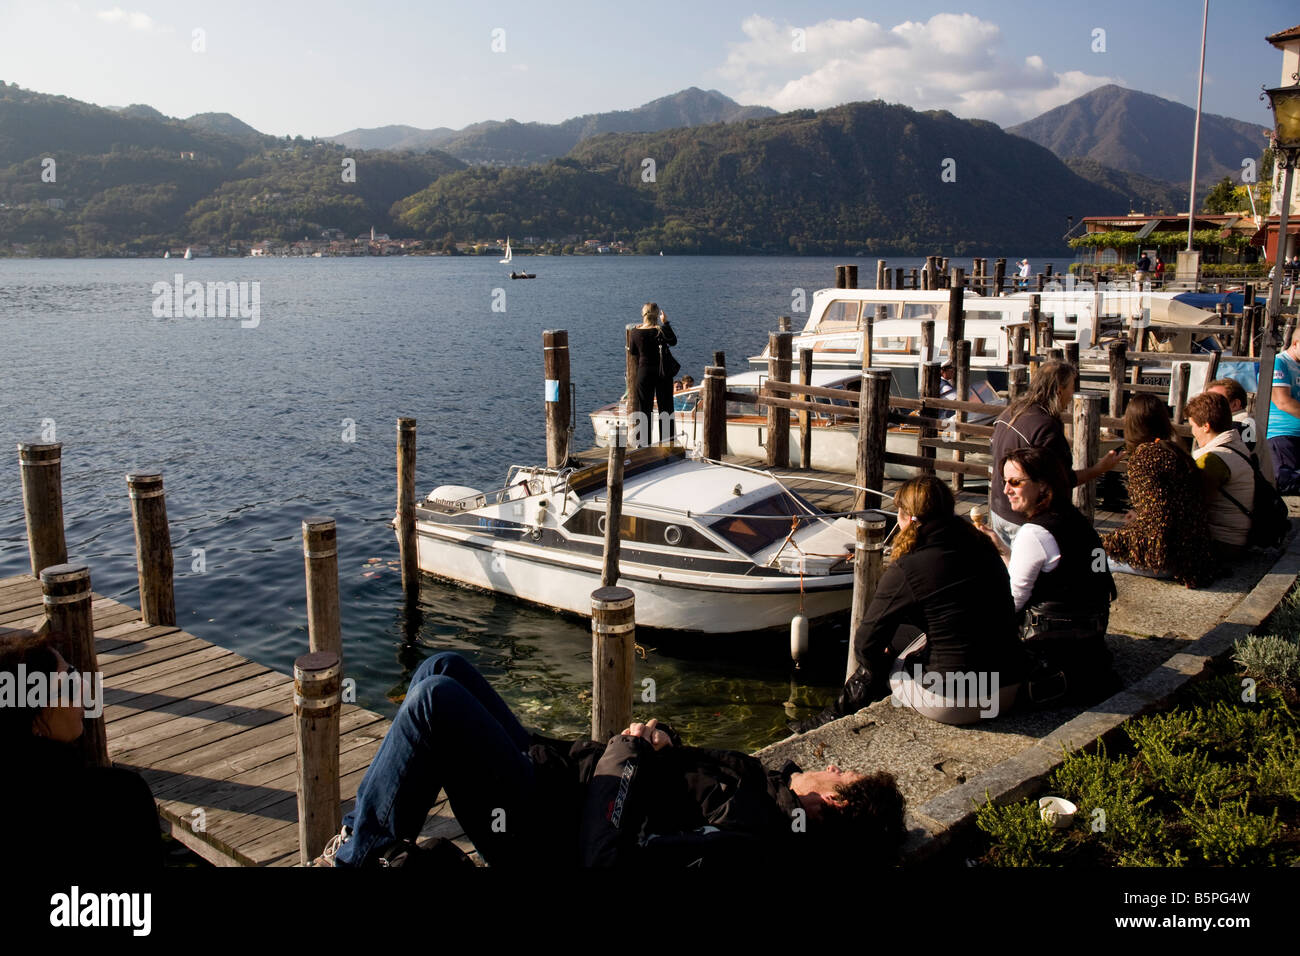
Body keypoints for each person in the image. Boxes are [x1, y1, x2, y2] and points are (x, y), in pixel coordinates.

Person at [319, 652, 907, 868]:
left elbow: (604, 853)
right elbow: (676, 776)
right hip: (556, 774)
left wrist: (629, 751)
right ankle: (367, 839)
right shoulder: (759, 787)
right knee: (442, 668)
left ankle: (357, 856)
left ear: (832, 799)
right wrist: (660, 739)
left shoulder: (750, 825)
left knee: (432, 704)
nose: (831, 763)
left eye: (842, 771)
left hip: (544, 828)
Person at [791, 477, 1027, 731]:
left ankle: (831, 719)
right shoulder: (981, 545)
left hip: (955, 701)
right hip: (1007, 689)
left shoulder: (909, 567)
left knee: (883, 661)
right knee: (904, 636)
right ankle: (833, 716)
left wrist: (882, 663)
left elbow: (865, 645)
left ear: (905, 517)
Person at [0, 623, 163, 868]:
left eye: (75, 675)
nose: (85, 688)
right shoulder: (117, 797)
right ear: (33, 715)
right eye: (69, 685)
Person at [983, 448, 1118, 705]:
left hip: (1048, 647)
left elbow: (1013, 601)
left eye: (1015, 482)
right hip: (1089, 637)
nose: (1005, 490)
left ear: (1043, 485)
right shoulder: (1076, 520)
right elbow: (1057, 574)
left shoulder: (1034, 532)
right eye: (1004, 482)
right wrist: (1002, 549)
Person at [988, 360, 1123, 549]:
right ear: (1059, 390)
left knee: (1009, 573)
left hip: (999, 509)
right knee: (1032, 576)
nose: (1072, 394)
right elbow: (1062, 481)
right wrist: (1101, 468)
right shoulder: (1045, 427)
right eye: (1071, 388)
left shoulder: (1010, 412)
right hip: (1024, 518)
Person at [1102, 394, 1216, 586]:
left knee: (1087, 558)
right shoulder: (1176, 451)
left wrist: (1109, 542)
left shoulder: (1144, 457)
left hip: (1168, 560)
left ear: (1132, 424)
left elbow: (1156, 524)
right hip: (1195, 555)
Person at [1185, 391, 1254, 562]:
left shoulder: (1214, 459)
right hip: (1238, 538)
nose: (1193, 432)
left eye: (1193, 425)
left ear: (1206, 426)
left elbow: (1193, 501)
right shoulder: (1237, 447)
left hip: (1222, 542)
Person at [627, 302, 678, 445]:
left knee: (644, 409)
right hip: (663, 372)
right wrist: (666, 322)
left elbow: (633, 352)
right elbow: (673, 341)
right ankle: (667, 444)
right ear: (657, 315)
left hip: (644, 373)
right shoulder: (660, 330)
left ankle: (644, 445)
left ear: (643, 314)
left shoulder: (635, 332)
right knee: (666, 408)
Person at [1266, 326, 1300, 494]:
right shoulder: (1279, 362)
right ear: (1295, 343)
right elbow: (1282, 402)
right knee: (1287, 482)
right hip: (1282, 434)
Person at [1206, 377, 1256, 452]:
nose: (1208, 405)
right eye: (1207, 400)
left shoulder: (1241, 423)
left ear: (1235, 404)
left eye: (1216, 401)